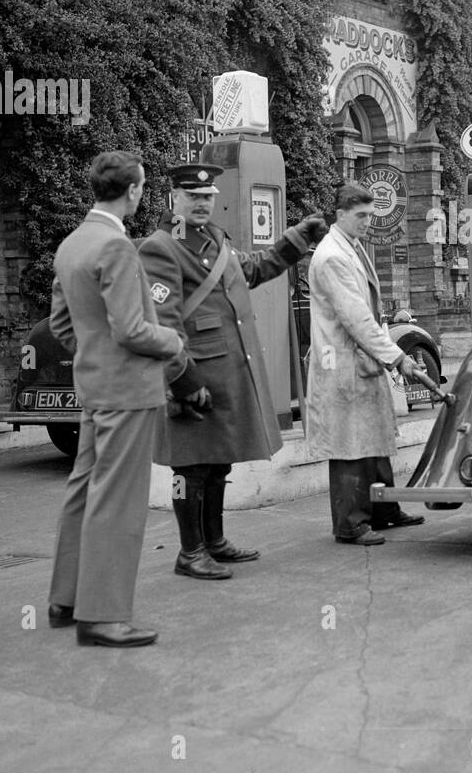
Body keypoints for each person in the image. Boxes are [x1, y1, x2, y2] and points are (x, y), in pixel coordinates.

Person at [137, 163, 329, 579]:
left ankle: (214, 541)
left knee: (217, 462)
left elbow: (254, 268)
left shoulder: (214, 239)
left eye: (207, 197)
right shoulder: (161, 247)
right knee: (190, 468)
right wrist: (181, 380)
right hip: (191, 375)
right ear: (174, 197)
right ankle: (190, 552)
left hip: (224, 371)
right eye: (193, 196)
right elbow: (162, 323)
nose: (201, 204)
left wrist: (297, 238)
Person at [46, 151, 186, 648]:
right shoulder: (117, 246)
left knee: (84, 489)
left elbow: (62, 325)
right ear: (132, 191)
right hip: (128, 391)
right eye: (142, 186)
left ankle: (66, 600)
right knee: (118, 501)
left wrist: (96, 357)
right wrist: (173, 342)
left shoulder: (72, 244)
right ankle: (102, 615)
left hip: (94, 388)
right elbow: (131, 330)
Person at [305, 183, 425, 545]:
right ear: (340, 214)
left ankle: (384, 510)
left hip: (360, 358)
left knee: (373, 437)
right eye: (360, 215)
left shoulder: (352, 246)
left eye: (370, 215)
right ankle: (350, 524)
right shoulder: (333, 256)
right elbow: (356, 318)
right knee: (350, 445)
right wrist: (397, 357)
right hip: (343, 360)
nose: (367, 222)